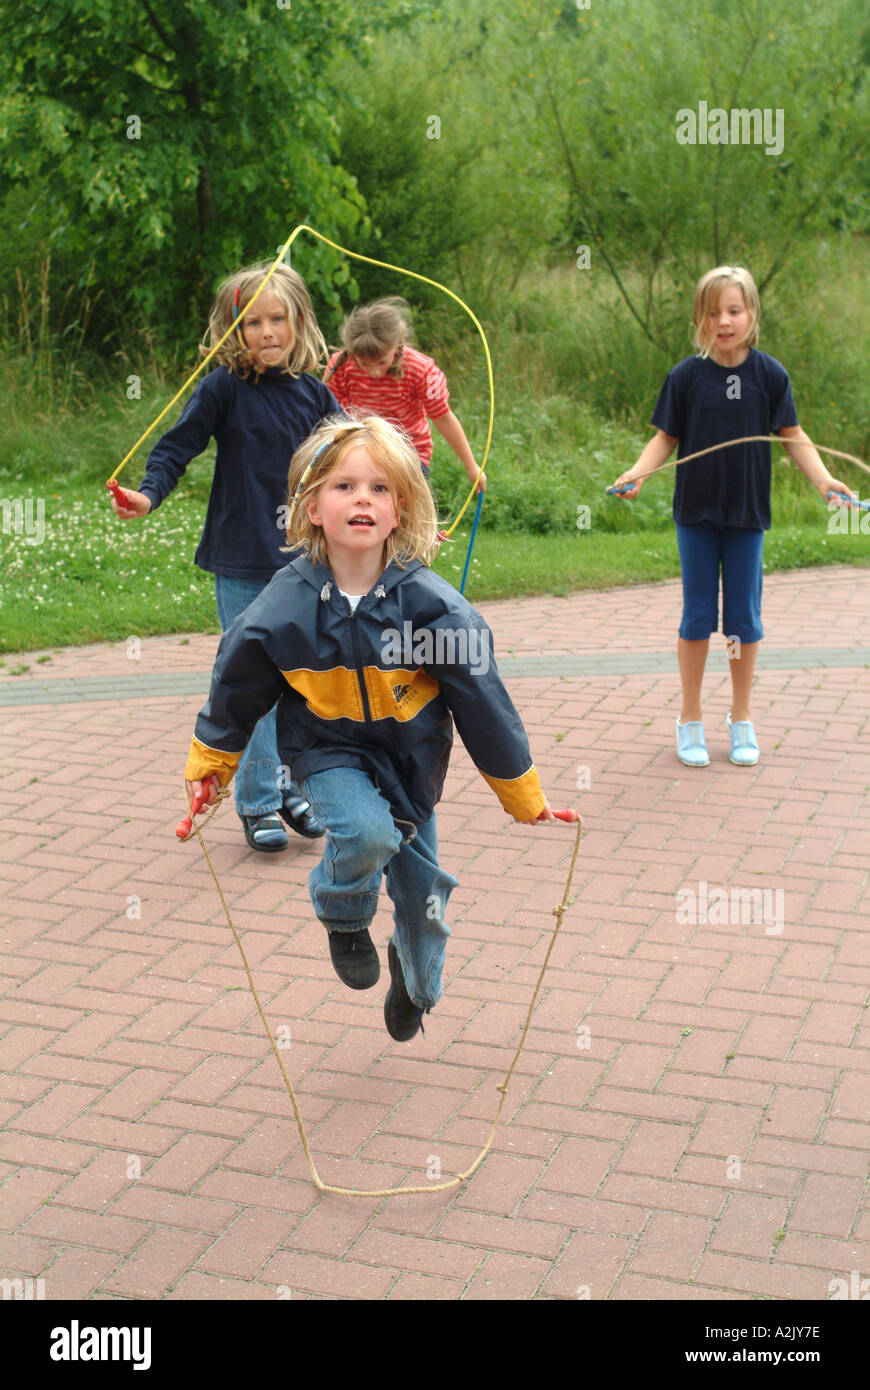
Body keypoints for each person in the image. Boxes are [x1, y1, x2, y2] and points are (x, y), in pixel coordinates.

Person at [183, 413, 557, 1041]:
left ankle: (415, 982)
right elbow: (236, 691)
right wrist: (211, 770)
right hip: (328, 753)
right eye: (345, 486)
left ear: (401, 508)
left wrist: (524, 794)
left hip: (413, 765)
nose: (363, 498)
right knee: (364, 832)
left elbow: (484, 703)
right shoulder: (282, 606)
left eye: (380, 489)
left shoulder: (433, 608)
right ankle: (344, 913)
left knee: (424, 902)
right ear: (311, 509)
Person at [109, 261, 341, 851]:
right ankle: (260, 800)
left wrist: (404, 512)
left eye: (277, 319)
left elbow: (355, 464)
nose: (266, 333)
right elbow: (175, 448)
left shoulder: (316, 395)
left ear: (298, 322)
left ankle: (289, 784)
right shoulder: (222, 390)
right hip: (240, 558)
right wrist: (147, 494)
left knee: (303, 679)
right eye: (251, 322)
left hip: (305, 559)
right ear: (232, 331)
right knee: (251, 679)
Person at [610, 264, 856, 769]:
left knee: (743, 622)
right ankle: (690, 717)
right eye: (713, 312)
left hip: (747, 517)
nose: (724, 321)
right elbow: (664, 439)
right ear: (700, 319)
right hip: (696, 517)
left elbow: (793, 434)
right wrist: (636, 473)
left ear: (751, 315)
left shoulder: (770, 375)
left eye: (734, 311)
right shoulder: (686, 376)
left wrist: (824, 480)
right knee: (697, 618)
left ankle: (741, 717)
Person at [323, 296, 485, 493]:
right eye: (364, 364)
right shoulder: (339, 366)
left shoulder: (423, 371)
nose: (374, 372)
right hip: (357, 447)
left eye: (381, 362)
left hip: (409, 453)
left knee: (402, 511)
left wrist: (471, 466)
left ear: (397, 345)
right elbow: (329, 416)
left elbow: (442, 417)